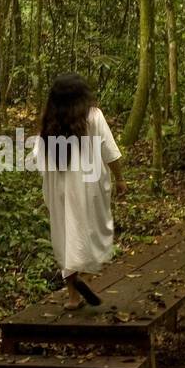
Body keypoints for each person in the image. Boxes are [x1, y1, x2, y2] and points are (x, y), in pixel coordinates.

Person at [29, 73, 126, 309]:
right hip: (89, 184)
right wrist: (120, 179)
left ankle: (73, 297)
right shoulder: (93, 116)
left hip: (59, 185)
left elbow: (37, 157)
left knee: (65, 233)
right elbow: (109, 150)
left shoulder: (49, 120)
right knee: (89, 231)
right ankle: (85, 275)